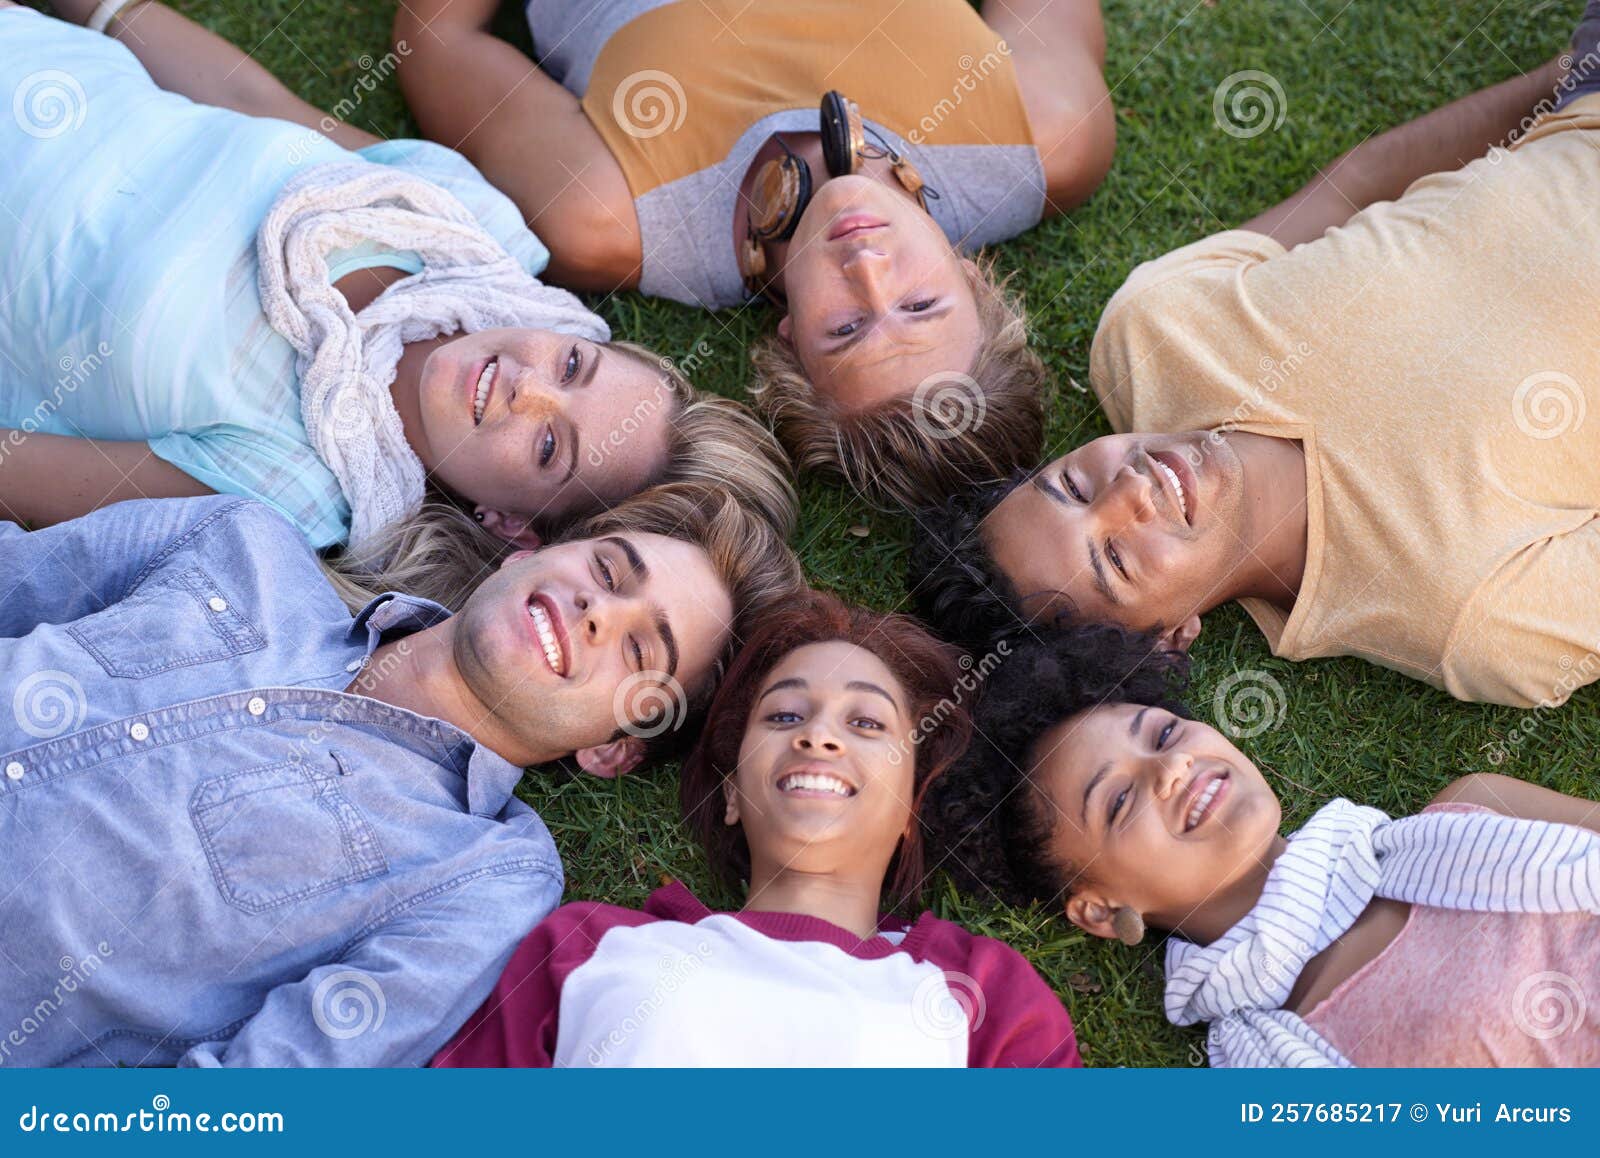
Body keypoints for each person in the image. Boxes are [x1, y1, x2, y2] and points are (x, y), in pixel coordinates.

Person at [0, 3, 794, 606]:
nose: (530, 384)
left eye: (550, 446)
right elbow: (251, 98)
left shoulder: (289, 490)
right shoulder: (466, 225)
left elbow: (19, 469)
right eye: (574, 363)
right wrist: (102, 8)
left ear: (507, 524)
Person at [0, 488, 799, 1067]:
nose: (599, 610)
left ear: (612, 750)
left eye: (638, 651)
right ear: (532, 552)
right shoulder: (237, 541)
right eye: (609, 568)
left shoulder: (483, 878)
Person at [912, 38, 1600, 709]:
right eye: (1116, 560)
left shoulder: (1152, 334)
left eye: (1073, 484)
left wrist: (1571, 72)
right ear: (1166, 642)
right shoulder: (1472, 621)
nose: (1130, 489)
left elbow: (1351, 186)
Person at [395, 0, 1117, 507]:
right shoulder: (1046, 134)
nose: (867, 270)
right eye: (921, 304)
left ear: (791, 344)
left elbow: (438, 37)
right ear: (973, 279)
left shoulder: (611, 214)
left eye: (847, 330)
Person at [433, 592, 1081, 1067]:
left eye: (867, 725)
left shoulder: (988, 999)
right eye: (785, 714)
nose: (818, 734)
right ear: (734, 794)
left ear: (909, 813)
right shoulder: (584, 949)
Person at [930, 626, 1600, 1067]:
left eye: (1163, 735)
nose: (1172, 769)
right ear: (1101, 912)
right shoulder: (1276, 1074)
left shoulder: (1475, 811)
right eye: (1120, 800)